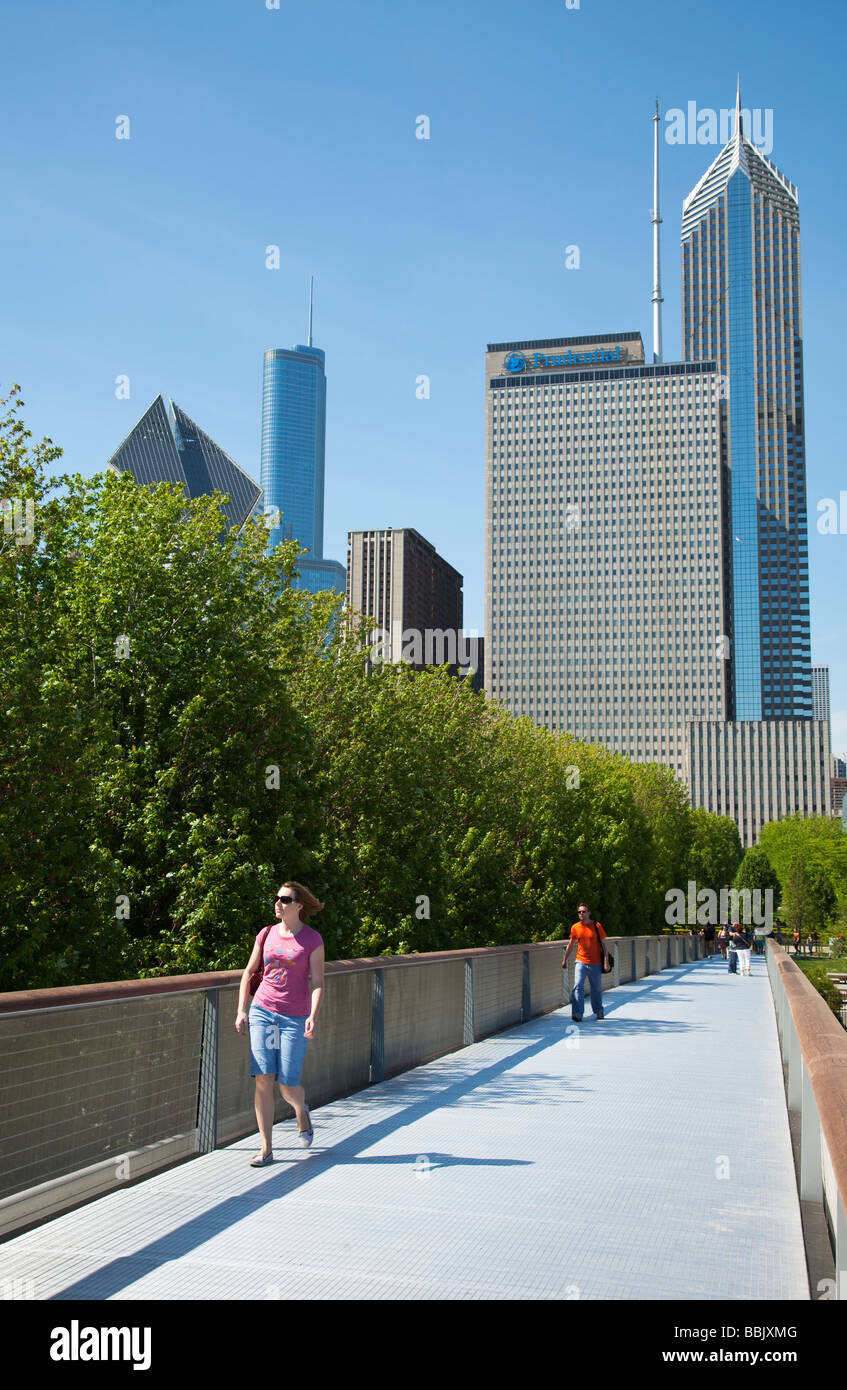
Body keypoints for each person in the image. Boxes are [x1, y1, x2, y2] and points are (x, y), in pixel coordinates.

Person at [235, 880, 325, 1165]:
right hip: (263, 1010)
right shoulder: (266, 934)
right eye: (277, 898)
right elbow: (249, 972)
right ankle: (266, 1148)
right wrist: (242, 1009)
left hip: (294, 1017)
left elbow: (318, 982)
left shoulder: (312, 940)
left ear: (298, 906)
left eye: (285, 899)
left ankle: (300, 1110)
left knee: (287, 1083)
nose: (278, 903)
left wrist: (313, 1015)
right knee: (263, 1077)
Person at [562, 902, 610, 1021]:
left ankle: (599, 1010)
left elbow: (604, 945)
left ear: (589, 913)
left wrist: (606, 961)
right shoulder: (575, 927)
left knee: (596, 988)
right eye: (579, 912)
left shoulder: (596, 926)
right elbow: (571, 944)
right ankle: (578, 1014)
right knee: (578, 986)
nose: (581, 914)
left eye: (584, 911)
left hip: (596, 962)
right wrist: (565, 959)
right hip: (581, 961)